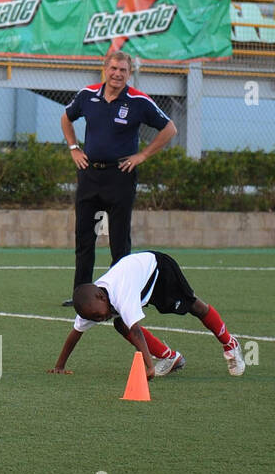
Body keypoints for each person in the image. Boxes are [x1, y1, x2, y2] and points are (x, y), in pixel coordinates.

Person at [60, 50, 176, 305]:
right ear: (105, 69)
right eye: (113, 68)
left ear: (129, 73)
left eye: (123, 70)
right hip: (90, 174)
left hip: (120, 175)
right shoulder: (87, 95)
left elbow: (169, 128)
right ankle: (82, 296)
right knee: (84, 237)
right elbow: (66, 118)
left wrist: (142, 155)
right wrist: (74, 148)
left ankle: (118, 297)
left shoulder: (139, 101)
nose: (117, 74)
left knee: (119, 241)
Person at [49, 250, 246, 379]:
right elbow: (75, 334)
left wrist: (149, 366)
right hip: (141, 285)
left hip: (159, 270)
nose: (102, 319)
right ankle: (171, 358)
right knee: (120, 324)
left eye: (101, 316)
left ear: (102, 296)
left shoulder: (120, 295)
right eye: (96, 319)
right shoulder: (90, 307)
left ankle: (230, 344)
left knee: (195, 307)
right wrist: (60, 365)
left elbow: (136, 331)